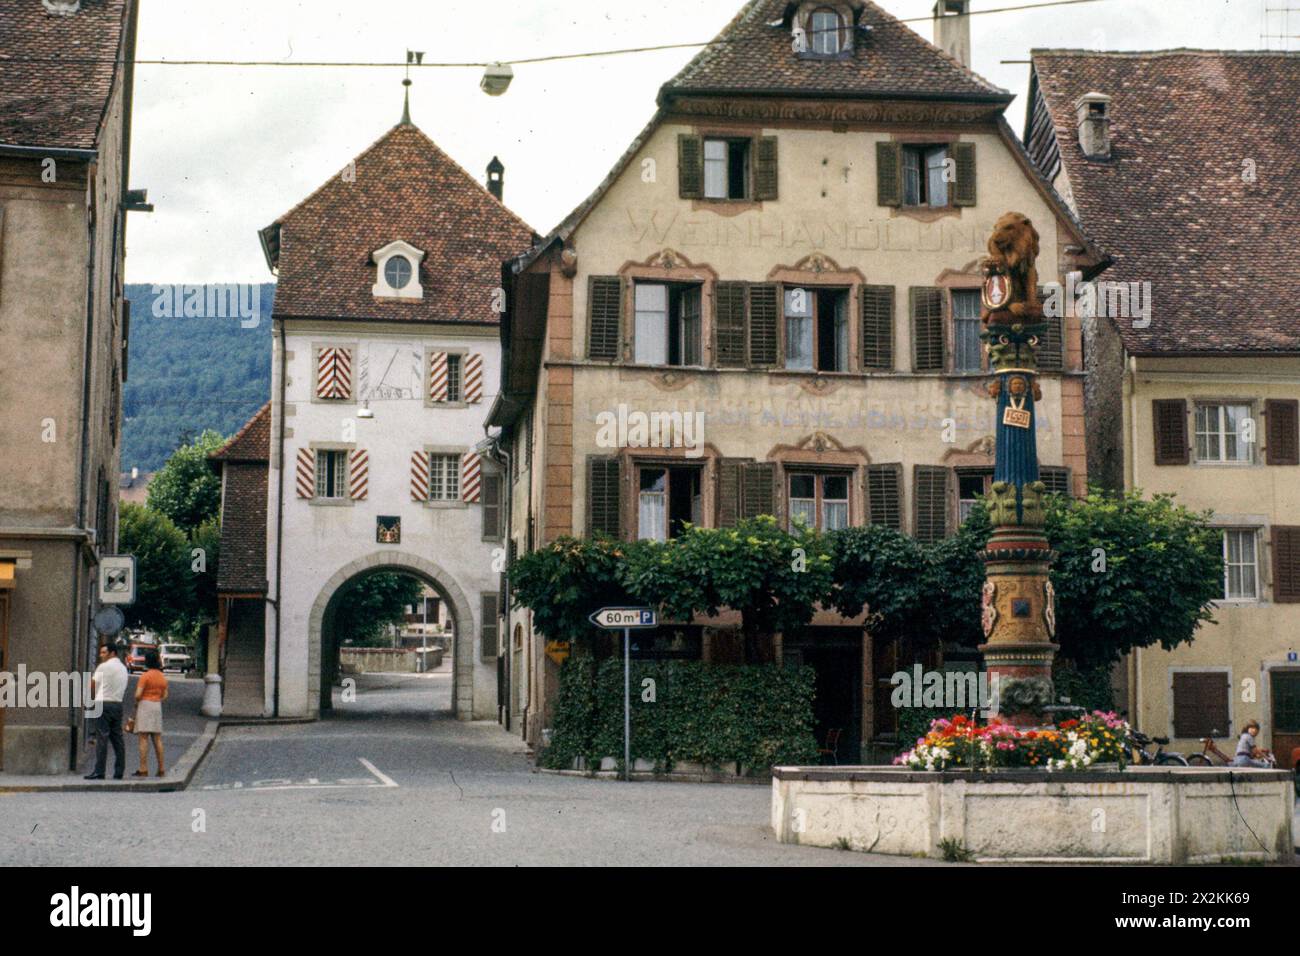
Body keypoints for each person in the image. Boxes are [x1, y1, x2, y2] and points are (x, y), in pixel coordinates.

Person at [84, 643, 128, 780]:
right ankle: (119, 771)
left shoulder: (103, 667)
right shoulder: (123, 669)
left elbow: (92, 684)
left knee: (102, 738)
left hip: (102, 703)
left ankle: (99, 771)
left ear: (112, 653)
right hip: (117, 704)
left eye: (104, 652)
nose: (101, 655)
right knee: (117, 739)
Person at [132, 648, 168, 777]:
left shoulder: (145, 676)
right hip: (157, 706)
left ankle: (143, 768)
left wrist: (137, 700)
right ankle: (161, 768)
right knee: (157, 738)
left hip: (145, 705)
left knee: (143, 738)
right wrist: (156, 698)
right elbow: (165, 695)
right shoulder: (162, 677)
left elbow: (138, 694)